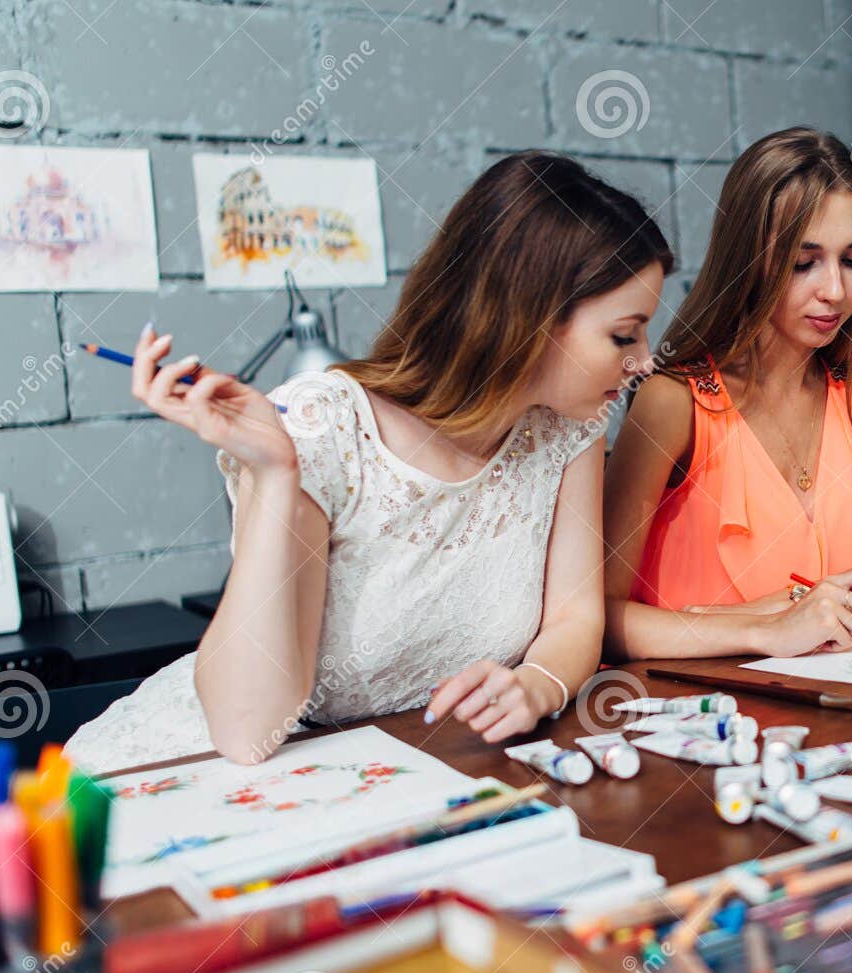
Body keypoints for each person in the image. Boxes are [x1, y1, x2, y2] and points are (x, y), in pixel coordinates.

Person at [67, 153, 671, 771]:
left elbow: (574, 618)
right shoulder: (321, 428)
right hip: (206, 773)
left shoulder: (569, 430)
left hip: (407, 768)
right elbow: (248, 733)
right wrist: (276, 474)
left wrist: (537, 686)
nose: (644, 360)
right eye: (625, 335)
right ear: (529, 318)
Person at [604, 127, 852, 661]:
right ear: (746, 261)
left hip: (833, 702)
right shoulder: (674, 401)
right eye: (803, 263)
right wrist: (771, 622)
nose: (835, 289)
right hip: (696, 715)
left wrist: (804, 605)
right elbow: (602, 616)